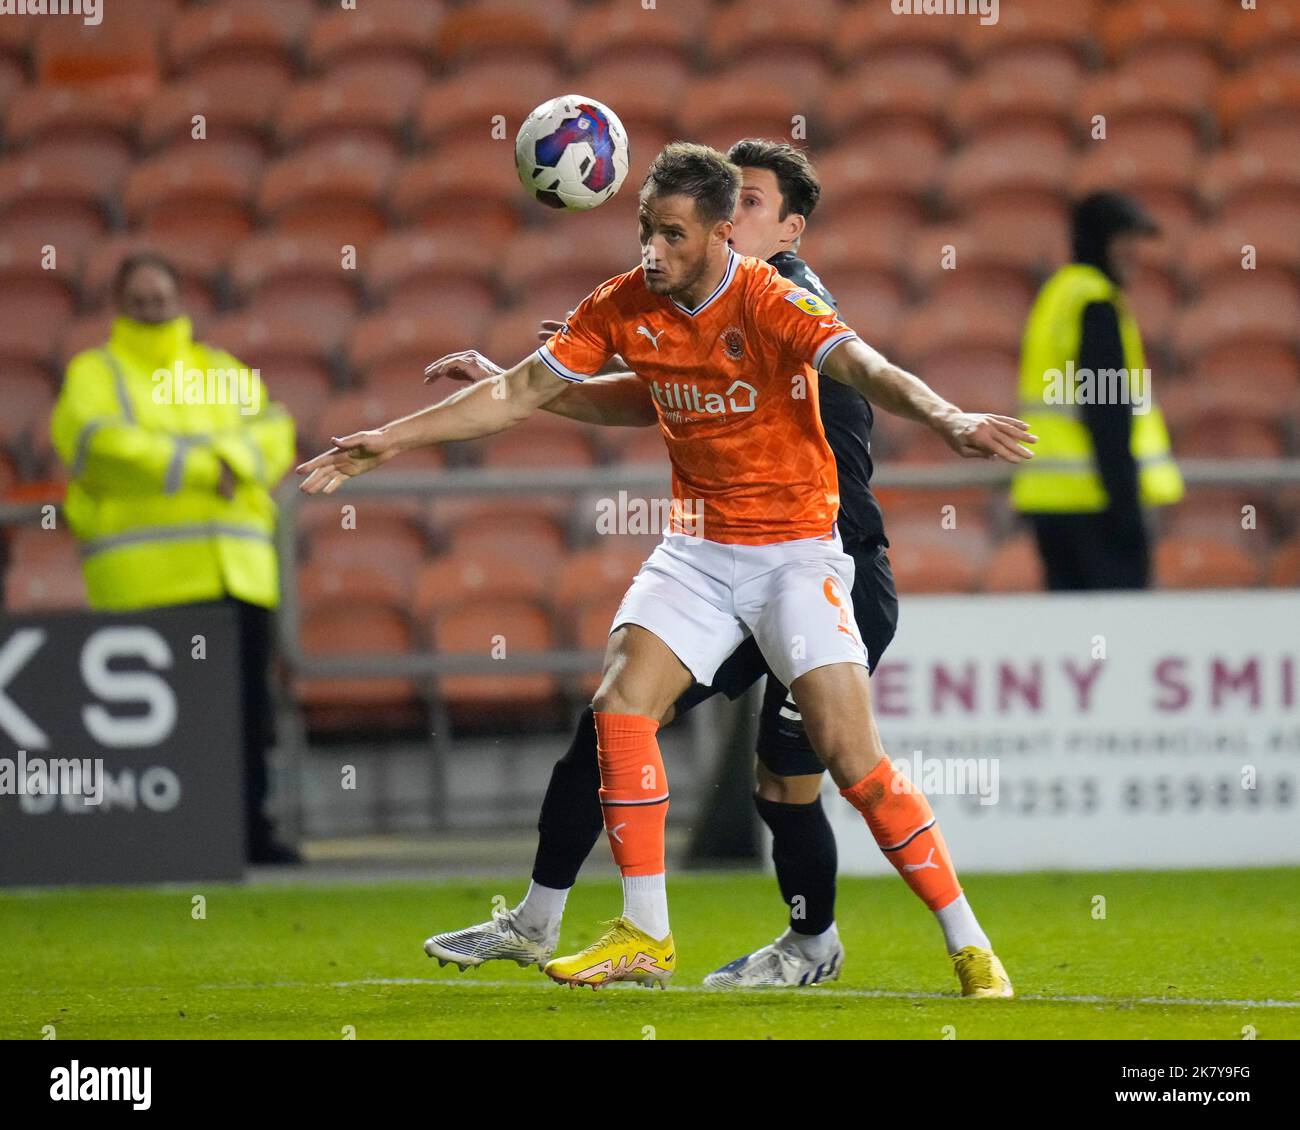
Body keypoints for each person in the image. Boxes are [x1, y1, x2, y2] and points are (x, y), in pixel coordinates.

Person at [297, 143, 1034, 996]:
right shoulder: (625, 302)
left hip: (799, 556)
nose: (653, 249)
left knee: (850, 764)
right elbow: (523, 392)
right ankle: (644, 932)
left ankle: (968, 942)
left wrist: (947, 415)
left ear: (725, 233)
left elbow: (862, 366)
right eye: (646, 229)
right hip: (696, 550)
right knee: (618, 708)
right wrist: (389, 438)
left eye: (673, 234)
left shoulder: (773, 297)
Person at [421, 139, 897, 989]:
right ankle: (539, 919)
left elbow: (715, 371)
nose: (730, 216)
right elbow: (656, 393)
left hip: (832, 564)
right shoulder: (704, 306)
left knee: (785, 785)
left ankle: (812, 943)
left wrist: (566, 373)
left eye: (751, 203)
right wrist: (539, 380)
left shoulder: (791, 295)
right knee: (612, 724)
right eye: (729, 201)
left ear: (789, 229)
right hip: (744, 556)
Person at [50, 253, 300, 865]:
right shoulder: (96, 372)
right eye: (140, 301)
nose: (154, 311)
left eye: (162, 299)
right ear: (119, 307)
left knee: (247, 716)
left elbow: (276, 431)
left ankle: (249, 835)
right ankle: (162, 840)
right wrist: (203, 466)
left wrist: (230, 463)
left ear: (180, 301)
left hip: (234, 573)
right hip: (147, 580)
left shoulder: (217, 368)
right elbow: (94, 443)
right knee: (160, 726)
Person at [1011, 191, 1184, 589]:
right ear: (1098, 242)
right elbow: (1107, 409)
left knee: (1074, 637)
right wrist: (1124, 504)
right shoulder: (1095, 303)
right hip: (1095, 502)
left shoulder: (1057, 295)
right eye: (1124, 240)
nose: (1134, 253)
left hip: (1051, 501)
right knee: (1119, 636)